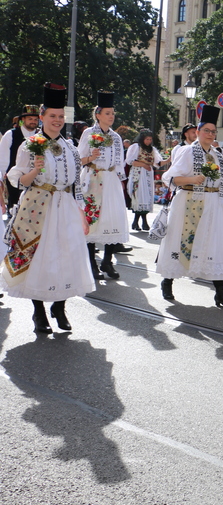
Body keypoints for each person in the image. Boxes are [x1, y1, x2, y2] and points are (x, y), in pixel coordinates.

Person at [1, 83, 95, 333]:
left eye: (61, 116)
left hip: (66, 207)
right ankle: (39, 312)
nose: (57, 120)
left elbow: (75, 185)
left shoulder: (71, 148)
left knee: (69, 256)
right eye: (52, 116)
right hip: (38, 206)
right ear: (41, 117)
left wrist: (82, 212)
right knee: (39, 257)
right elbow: (17, 179)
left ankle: (59, 306)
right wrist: (34, 170)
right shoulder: (30, 144)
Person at [155, 105, 223, 308]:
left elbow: (221, 183)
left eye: (213, 131)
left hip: (213, 205)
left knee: (214, 244)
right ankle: (168, 281)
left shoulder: (217, 154)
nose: (210, 134)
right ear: (197, 132)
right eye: (206, 130)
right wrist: (192, 178)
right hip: (188, 202)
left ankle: (220, 292)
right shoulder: (188, 152)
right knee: (180, 242)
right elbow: (169, 178)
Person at [78, 91, 129, 281]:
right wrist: (92, 157)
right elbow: (79, 159)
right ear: (98, 114)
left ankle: (107, 260)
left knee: (112, 220)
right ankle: (91, 264)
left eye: (113, 113)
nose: (111, 116)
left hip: (111, 180)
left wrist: (120, 183)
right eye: (108, 113)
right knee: (92, 221)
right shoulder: (88, 133)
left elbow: (120, 163)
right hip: (93, 178)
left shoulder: (116, 137)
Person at [0, 103, 41, 211]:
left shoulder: (41, 136)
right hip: (15, 179)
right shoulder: (11, 135)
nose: (33, 121)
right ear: (23, 119)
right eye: (30, 119)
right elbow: (3, 157)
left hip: (37, 179)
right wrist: (3, 175)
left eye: (35, 119)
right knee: (16, 209)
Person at [126, 128, 162, 232]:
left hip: (147, 175)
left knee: (146, 197)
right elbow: (130, 161)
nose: (149, 141)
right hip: (138, 173)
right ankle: (140, 222)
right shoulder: (135, 147)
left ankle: (139, 222)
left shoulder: (152, 149)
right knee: (139, 196)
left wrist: (169, 159)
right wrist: (143, 164)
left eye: (150, 139)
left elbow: (158, 162)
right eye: (147, 139)